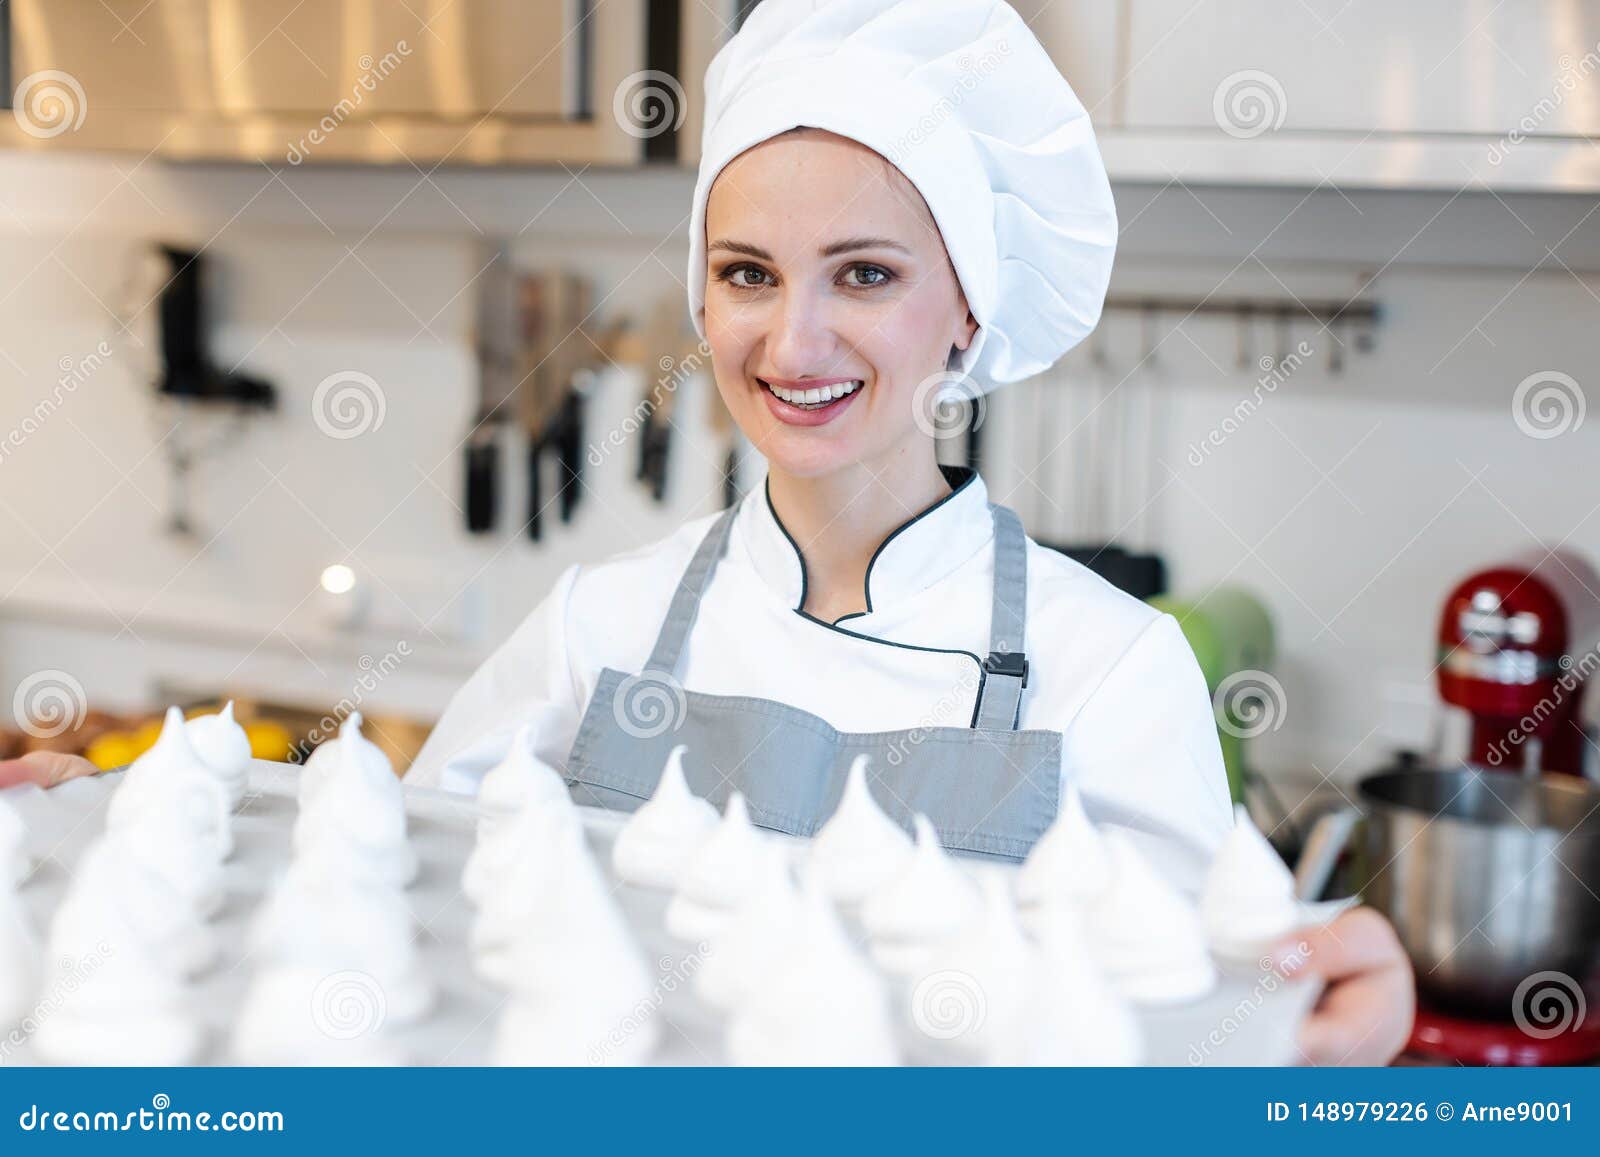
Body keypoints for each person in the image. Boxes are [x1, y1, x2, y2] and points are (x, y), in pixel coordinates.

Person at [2, 0, 1413, 1065]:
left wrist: (1347, 997)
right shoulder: (602, 625)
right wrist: (91, 821)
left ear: (969, 308)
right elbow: (371, 890)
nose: (793, 339)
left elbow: (1218, 1022)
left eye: (865, 273)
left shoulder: (1107, 671)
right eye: (748, 273)